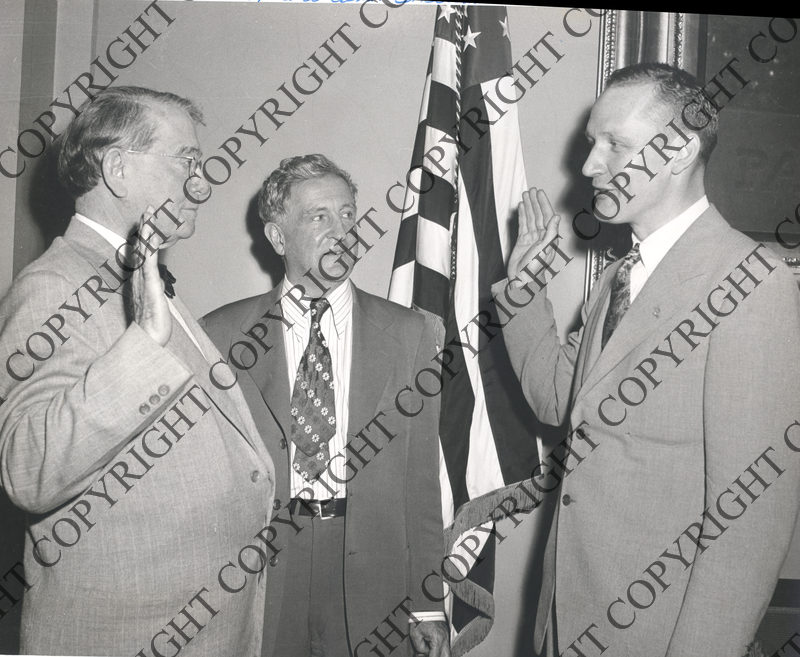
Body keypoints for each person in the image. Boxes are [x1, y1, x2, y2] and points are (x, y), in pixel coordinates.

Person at [495, 63, 800, 656]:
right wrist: (526, 295)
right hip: (572, 618)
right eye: (592, 142)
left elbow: (750, 517)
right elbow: (560, 402)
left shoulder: (751, 282)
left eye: (616, 144)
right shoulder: (618, 277)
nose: (589, 166)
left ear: (681, 149)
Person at [0, 86, 277, 656]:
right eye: (186, 160)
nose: (202, 181)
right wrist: (144, 349)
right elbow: (28, 469)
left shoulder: (133, 276)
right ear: (119, 170)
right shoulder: (54, 286)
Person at [200, 154, 449, 657]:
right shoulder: (220, 335)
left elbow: (420, 480)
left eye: (349, 214)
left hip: (372, 568)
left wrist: (427, 602)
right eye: (320, 217)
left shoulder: (410, 334)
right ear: (277, 237)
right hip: (263, 567)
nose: (343, 232)